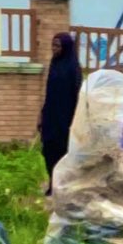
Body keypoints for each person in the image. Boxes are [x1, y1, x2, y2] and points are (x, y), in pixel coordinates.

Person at [38, 31, 83, 191]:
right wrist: (41, 115)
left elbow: (77, 93)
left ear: (66, 47)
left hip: (66, 118)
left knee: (63, 152)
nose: (54, 48)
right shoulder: (54, 64)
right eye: (53, 45)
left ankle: (64, 186)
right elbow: (49, 92)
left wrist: (76, 120)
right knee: (48, 150)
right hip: (51, 115)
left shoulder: (73, 68)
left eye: (57, 45)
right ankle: (52, 183)